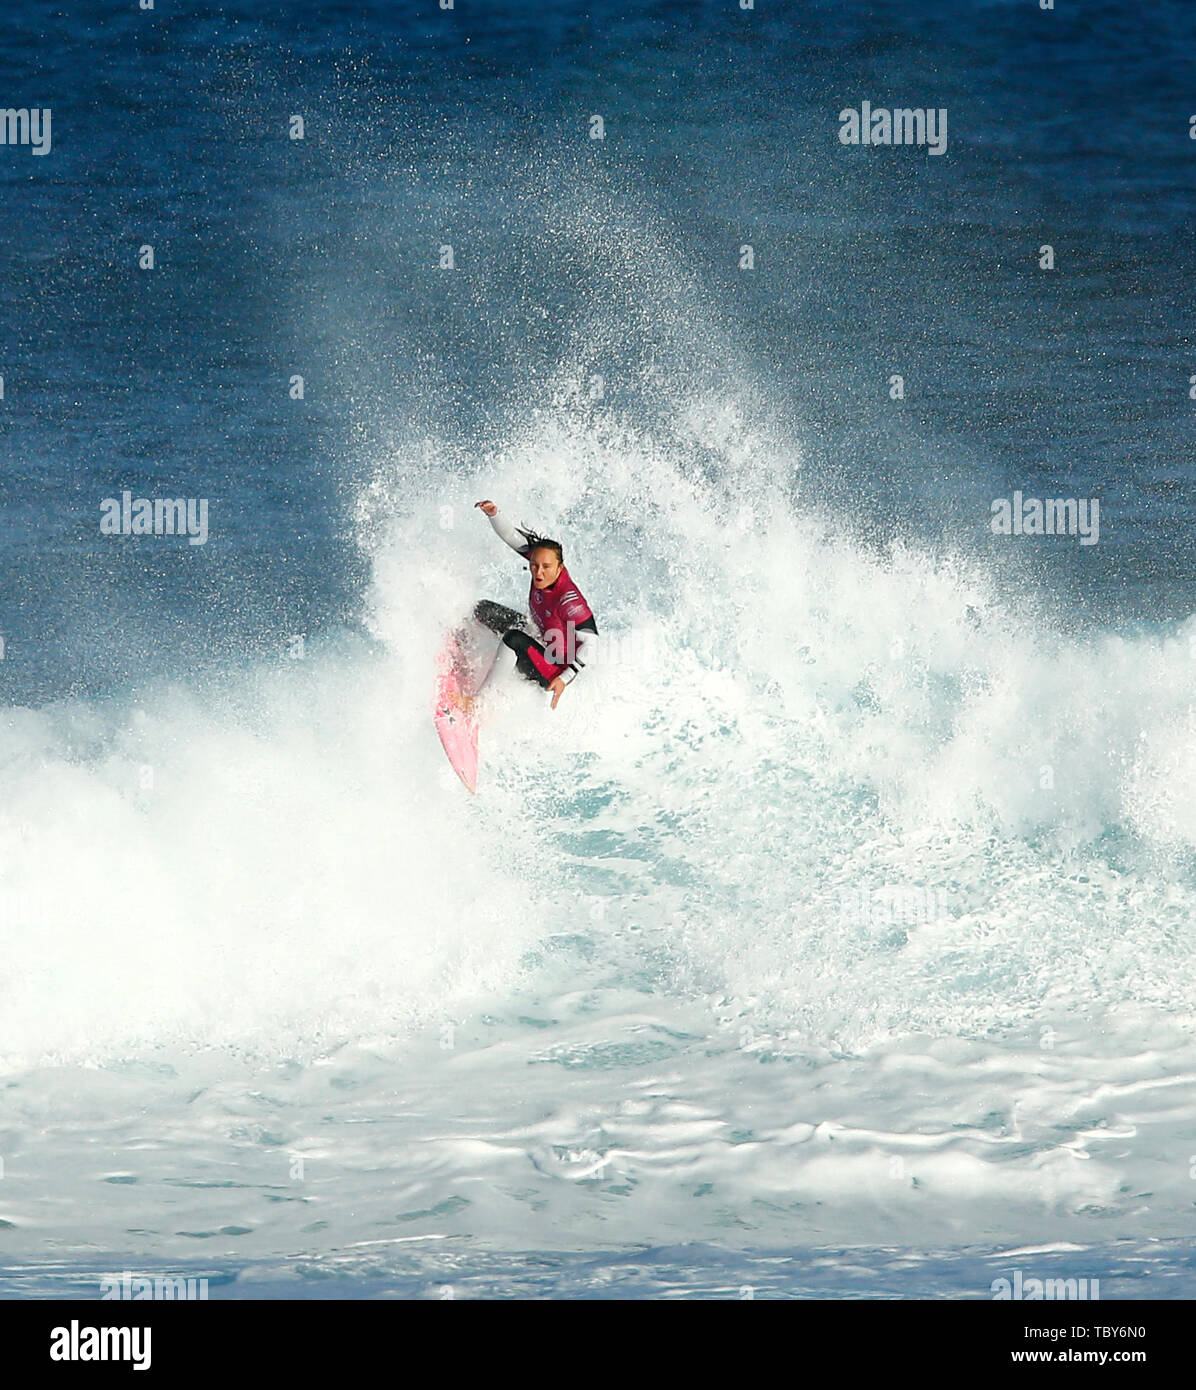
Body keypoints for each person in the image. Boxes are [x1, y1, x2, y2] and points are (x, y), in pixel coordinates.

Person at [473, 500, 598, 709]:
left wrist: (564, 679)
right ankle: (463, 645)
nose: (538, 573)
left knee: (513, 638)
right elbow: (511, 537)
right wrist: (494, 514)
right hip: (543, 640)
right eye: (534, 565)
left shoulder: (568, 599)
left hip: (553, 669)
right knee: (483, 609)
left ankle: (478, 704)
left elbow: (592, 643)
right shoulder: (541, 563)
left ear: (559, 568)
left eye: (546, 567)